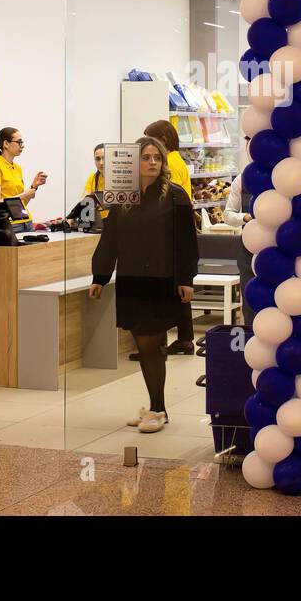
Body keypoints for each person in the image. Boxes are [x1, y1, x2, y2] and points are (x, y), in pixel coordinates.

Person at [89, 136, 198, 434]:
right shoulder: (124, 196)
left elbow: (187, 241)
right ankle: (155, 406)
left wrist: (186, 279)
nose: (152, 163)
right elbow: (110, 238)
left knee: (151, 345)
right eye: (146, 157)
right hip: (132, 279)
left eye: (157, 158)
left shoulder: (175, 196)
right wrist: (100, 276)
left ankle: (158, 409)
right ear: (134, 162)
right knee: (145, 344)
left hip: (162, 281)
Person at [144, 120, 195, 354]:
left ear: (162, 140)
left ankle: (161, 343)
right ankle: (184, 338)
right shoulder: (179, 160)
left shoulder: (170, 164)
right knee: (179, 291)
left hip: (167, 234)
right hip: (176, 230)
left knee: (167, 291)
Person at [222, 170, 257, 325]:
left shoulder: (286, 175)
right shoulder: (243, 179)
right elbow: (228, 215)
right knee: (250, 305)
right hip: (249, 252)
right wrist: (246, 217)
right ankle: (252, 341)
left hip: (283, 252)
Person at [82, 143, 110, 219]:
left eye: (104, 158)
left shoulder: (120, 178)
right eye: (97, 159)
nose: (101, 163)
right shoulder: (93, 177)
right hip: (98, 222)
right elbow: (84, 201)